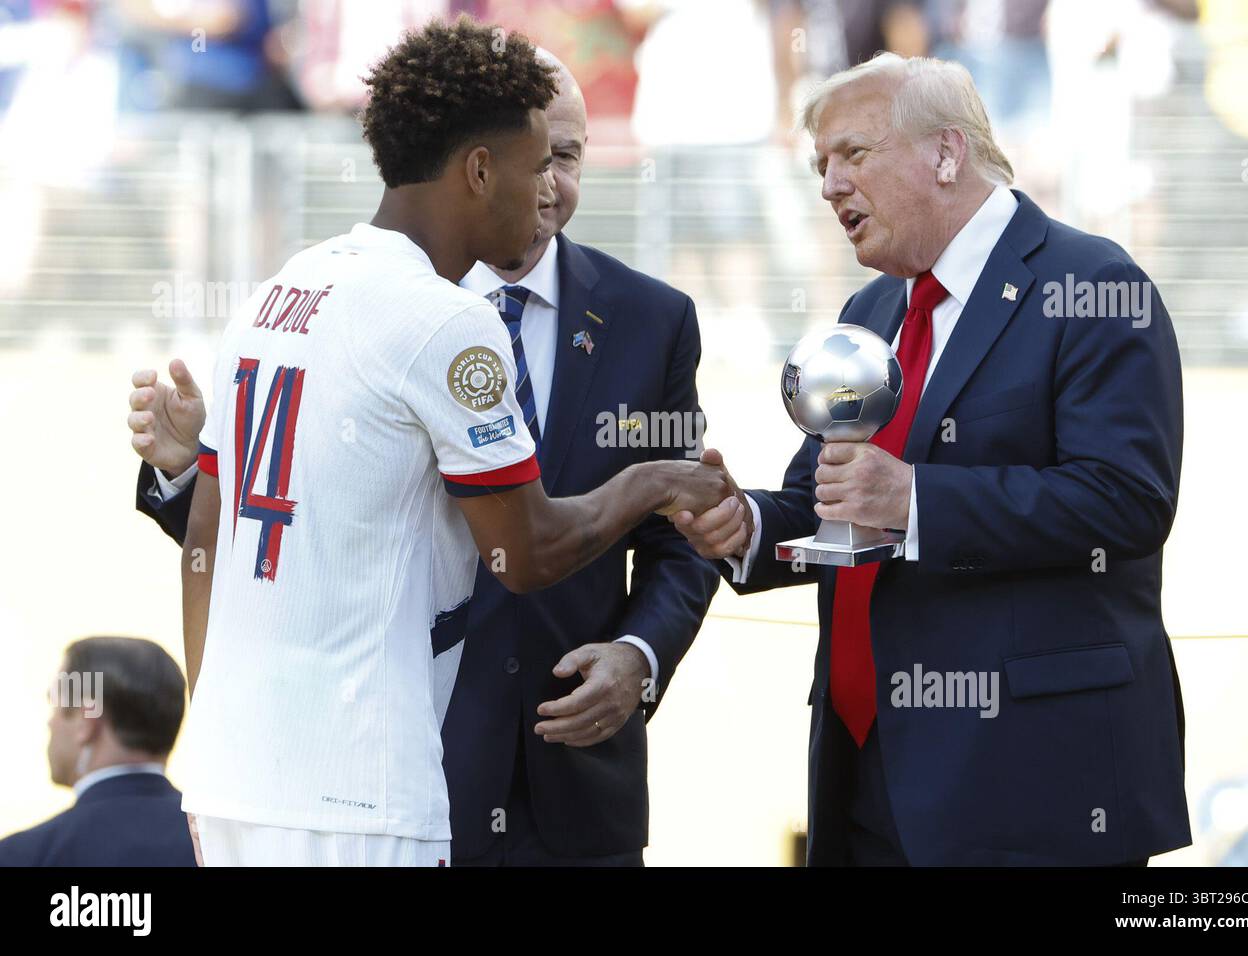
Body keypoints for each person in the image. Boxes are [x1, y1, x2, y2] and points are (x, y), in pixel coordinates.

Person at [134, 17, 734, 867]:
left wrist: (221, 738)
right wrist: (655, 484)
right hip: (365, 792)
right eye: (536, 168)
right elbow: (525, 553)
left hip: (241, 782)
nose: (547, 196)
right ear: (480, 170)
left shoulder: (278, 288)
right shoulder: (448, 319)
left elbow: (209, 532)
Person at [672, 52, 1192, 866]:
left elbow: (1125, 501)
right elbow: (832, 504)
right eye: (820, 166)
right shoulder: (871, 308)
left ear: (946, 154)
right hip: (867, 773)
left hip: (1031, 782)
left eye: (853, 154)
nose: (830, 185)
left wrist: (917, 499)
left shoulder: (1092, 284)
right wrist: (740, 524)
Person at [0, 637, 194, 867]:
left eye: (55, 704)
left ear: (87, 720)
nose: (50, 723)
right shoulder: (216, 841)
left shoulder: (23, 856)